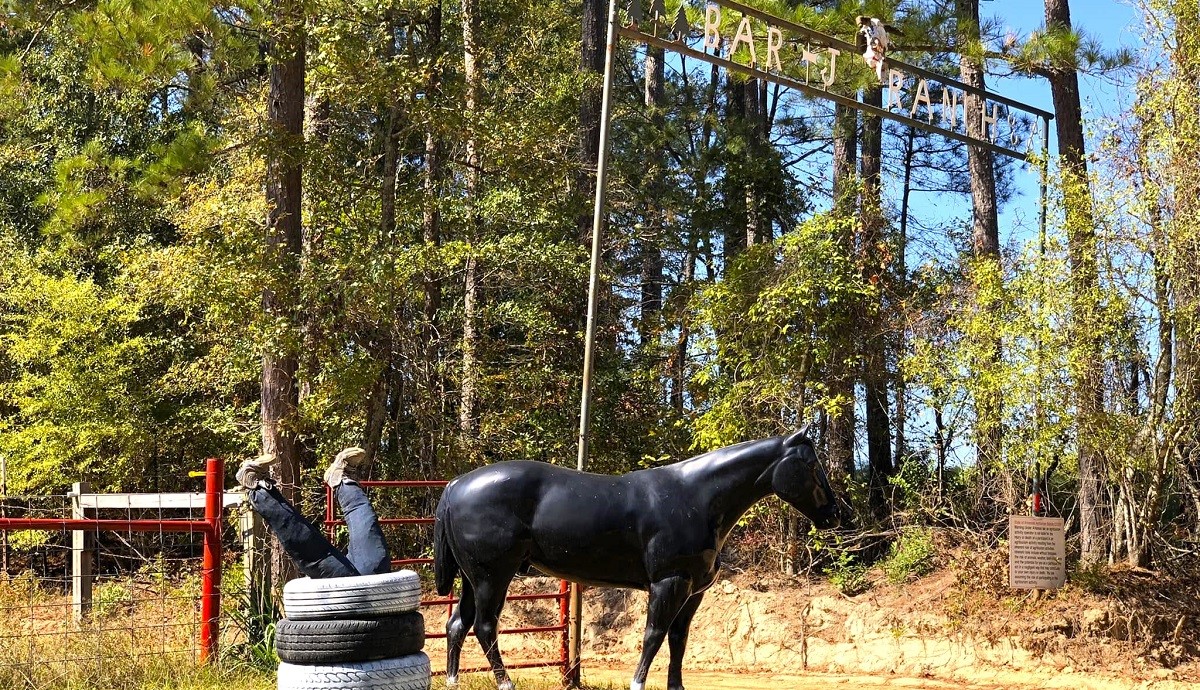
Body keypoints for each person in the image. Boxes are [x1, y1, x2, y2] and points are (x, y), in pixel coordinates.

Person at [236, 447, 391, 578]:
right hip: (372, 586)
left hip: (345, 592)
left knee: (313, 549)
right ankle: (340, 480)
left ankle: (257, 489)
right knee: (376, 554)